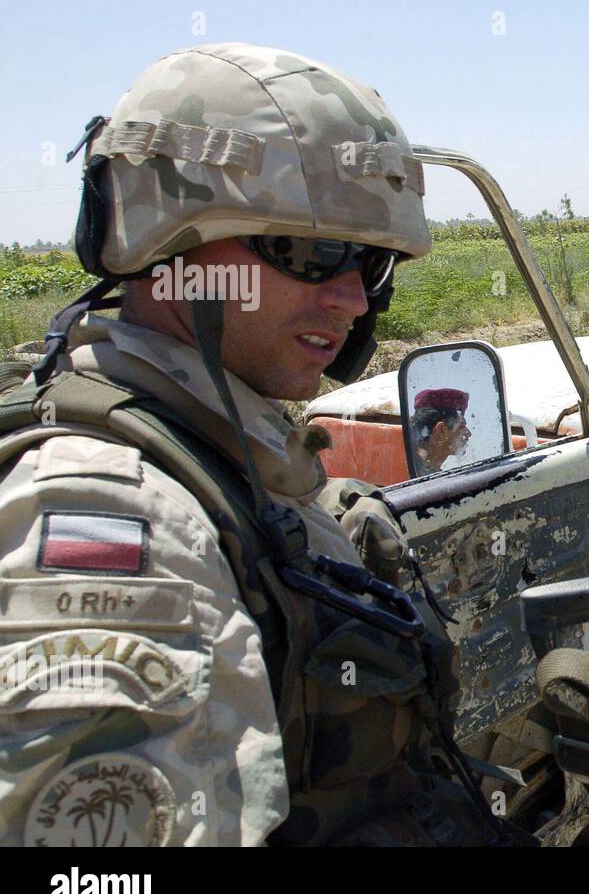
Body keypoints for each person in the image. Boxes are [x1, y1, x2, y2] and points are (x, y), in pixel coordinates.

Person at [0, 43, 514, 846]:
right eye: (309, 253)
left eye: (371, 263)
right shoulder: (113, 515)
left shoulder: (225, 445)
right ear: (164, 246)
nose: (350, 297)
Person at [411, 387, 471, 474]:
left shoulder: (417, 471)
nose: (468, 433)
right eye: (461, 427)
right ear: (442, 430)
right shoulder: (411, 475)